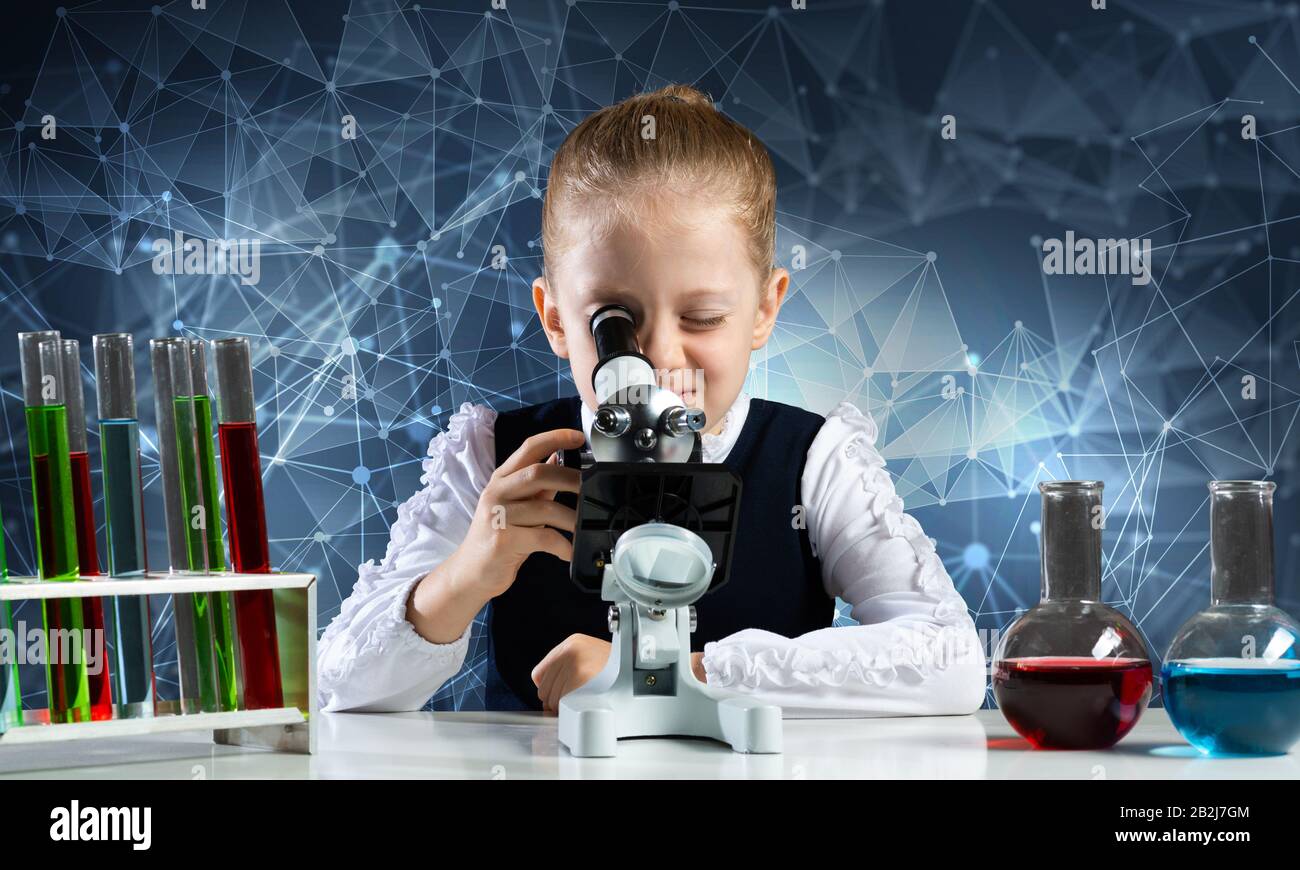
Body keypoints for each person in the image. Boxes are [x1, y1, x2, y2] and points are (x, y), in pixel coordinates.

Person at [317, 84, 985, 717]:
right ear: (555, 319)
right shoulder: (497, 459)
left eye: (702, 319)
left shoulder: (812, 463)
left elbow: (950, 664)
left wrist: (659, 678)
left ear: (764, 309)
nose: (661, 358)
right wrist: (469, 573)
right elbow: (342, 688)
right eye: (615, 320)